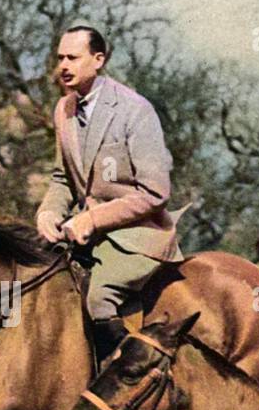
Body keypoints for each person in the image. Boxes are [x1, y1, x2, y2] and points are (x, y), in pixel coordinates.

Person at [35, 25, 185, 368]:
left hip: (139, 236)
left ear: (98, 59)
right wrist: (47, 212)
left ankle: (124, 387)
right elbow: (63, 178)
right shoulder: (64, 110)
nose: (64, 66)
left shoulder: (135, 110)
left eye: (73, 57)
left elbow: (155, 192)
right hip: (84, 236)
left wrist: (92, 218)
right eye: (60, 58)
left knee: (98, 298)